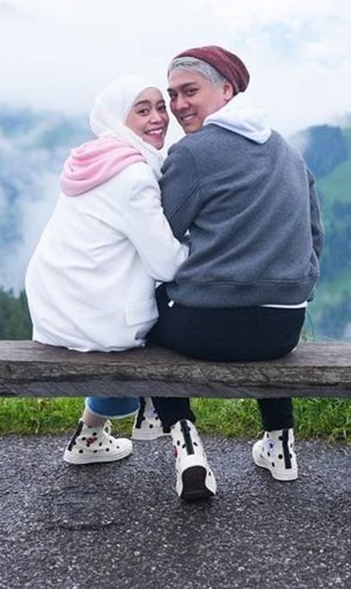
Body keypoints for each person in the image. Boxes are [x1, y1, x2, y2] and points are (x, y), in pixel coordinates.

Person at [148, 45, 323, 500]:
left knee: (145, 324)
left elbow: (159, 235)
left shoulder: (193, 153)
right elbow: (314, 233)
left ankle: (186, 446)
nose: (179, 104)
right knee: (258, 299)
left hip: (208, 329)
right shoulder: (286, 149)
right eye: (172, 95)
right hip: (284, 328)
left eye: (190, 91)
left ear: (227, 90)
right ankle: (280, 445)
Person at [25, 74, 188, 465]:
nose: (158, 118)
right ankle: (158, 413)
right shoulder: (133, 177)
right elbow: (167, 263)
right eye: (142, 109)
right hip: (93, 316)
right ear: (118, 118)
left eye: (161, 107)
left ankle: (91, 435)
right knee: (180, 313)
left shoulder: (95, 158)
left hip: (58, 308)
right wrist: (211, 253)